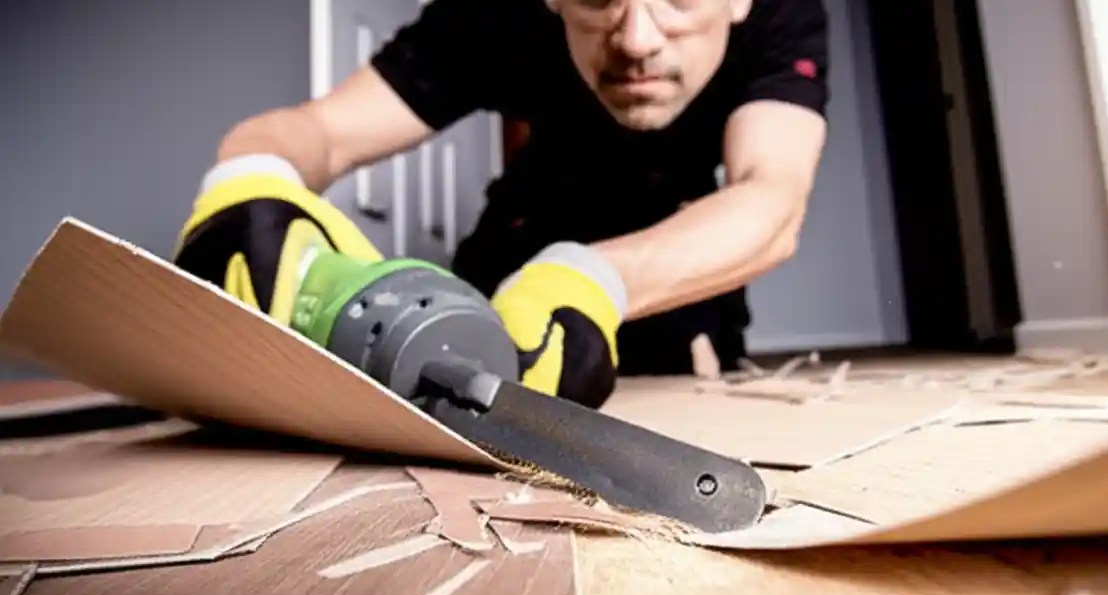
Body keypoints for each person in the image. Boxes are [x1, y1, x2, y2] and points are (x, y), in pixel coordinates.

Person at [174, 0, 829, 409]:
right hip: (526, 233)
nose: (636, 39)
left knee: (697, 395)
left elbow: (771, 195)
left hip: (678, 243)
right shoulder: (490, 13)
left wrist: (595, 279)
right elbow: (322, 132)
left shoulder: (782, 15)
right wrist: (250, 179)